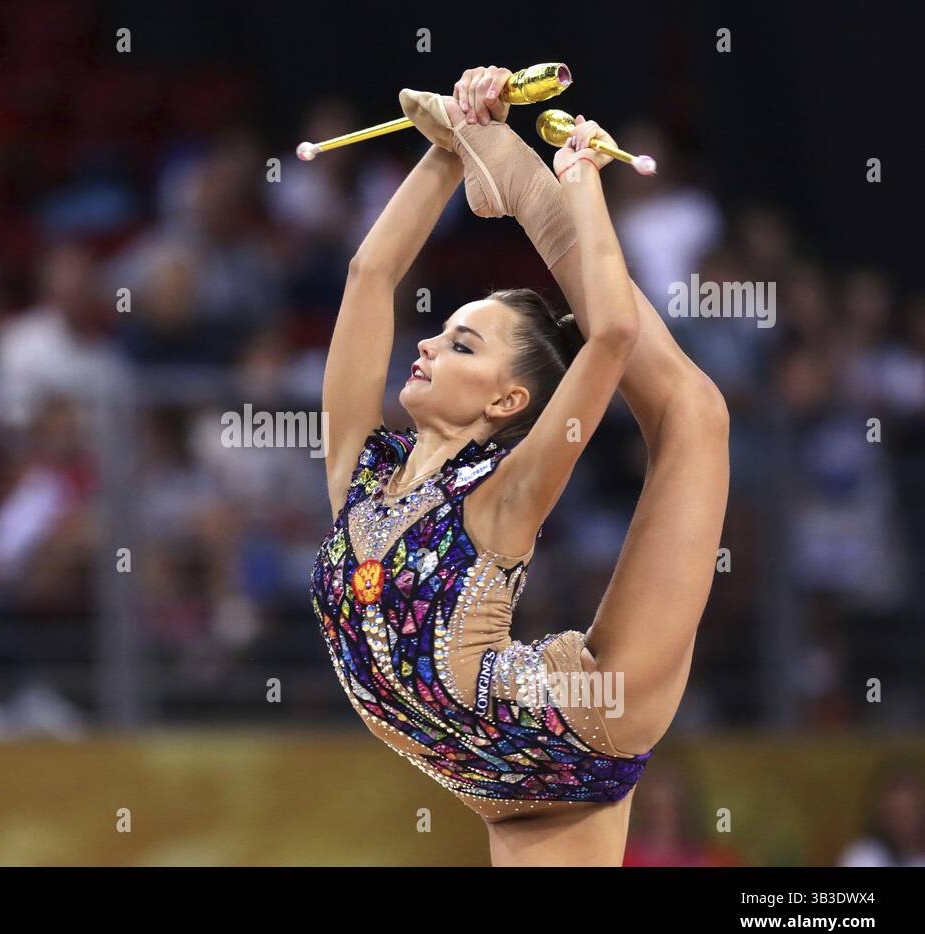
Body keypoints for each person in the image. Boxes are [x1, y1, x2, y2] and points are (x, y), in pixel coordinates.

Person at [309, 64, 730, 865]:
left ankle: (523, 188)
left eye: (462, 343)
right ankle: (505, 175)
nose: (426, 343)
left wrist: (573, 182)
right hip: (500, 787)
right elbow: (371, 276)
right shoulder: (358, 476)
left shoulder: (500, 493)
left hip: (582, 715)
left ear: (507, 403)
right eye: (444, 333)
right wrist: (446, 146)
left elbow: (609, 335)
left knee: (693, 417)